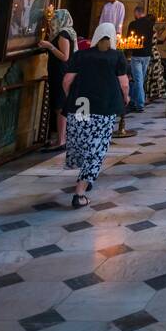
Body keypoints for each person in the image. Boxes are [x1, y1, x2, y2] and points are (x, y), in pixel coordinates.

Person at [61, 22, 129, 208]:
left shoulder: (80, 55)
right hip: (103, 109)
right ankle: (80, 193)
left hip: (80, 107)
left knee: (81, 141)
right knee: (96, 148)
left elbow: (67, 80)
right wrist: (126, 97)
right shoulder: (116, 56)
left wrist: (71, 97)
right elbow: (123, 83)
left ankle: (85, 176)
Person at [37, 8, 77, 152]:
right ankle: (61, 137)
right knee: (59, 105)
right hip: (59, 72)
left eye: (54, 19)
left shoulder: (63, 34)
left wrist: (50, 46)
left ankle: (61, 140)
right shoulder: (67, 32)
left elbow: (64, 56)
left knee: (60, 106)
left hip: (61, 73)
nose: (52, 22)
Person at [127, 4, 155, 112]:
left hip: (137, 55)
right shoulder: (150, 24)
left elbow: (130, 39)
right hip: (147, 54)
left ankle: (140, 104)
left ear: (137, 13)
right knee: (140, 79)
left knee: (138, 80)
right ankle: (134, 100)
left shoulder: (133, 24)